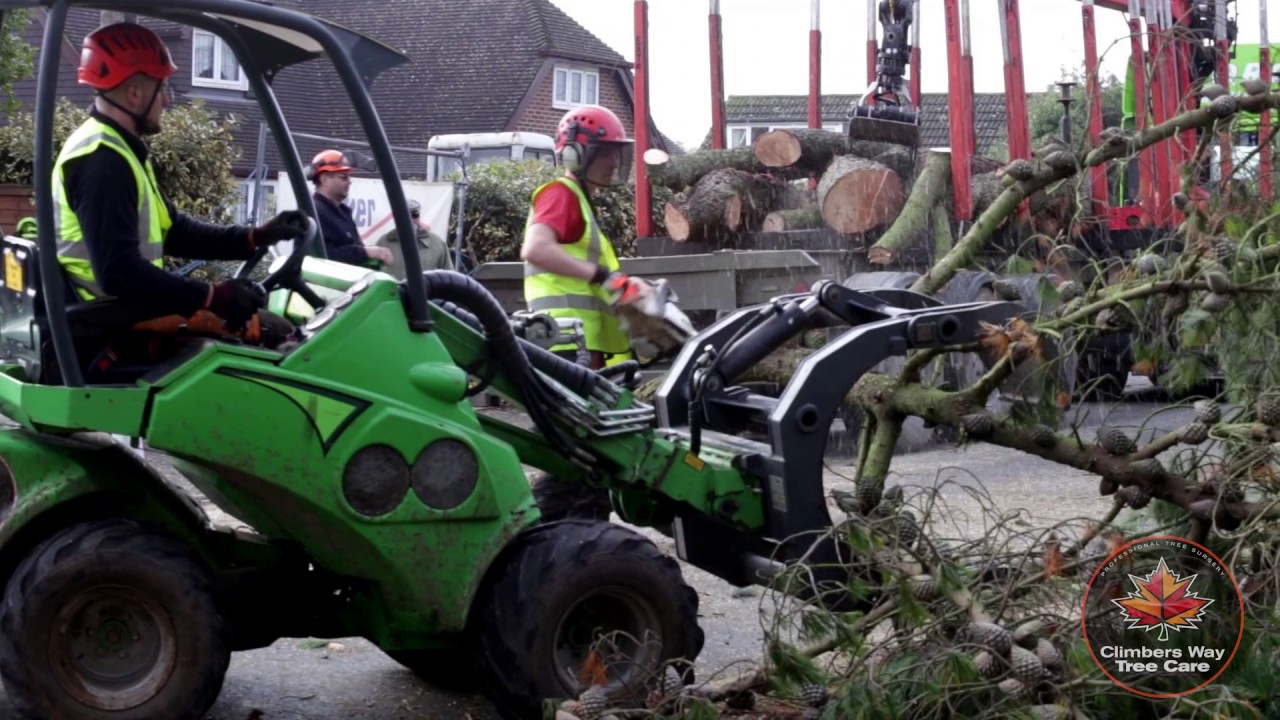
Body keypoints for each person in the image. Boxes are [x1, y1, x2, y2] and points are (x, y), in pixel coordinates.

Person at [54, 22, 307, 340]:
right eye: (162, 88)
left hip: (125, 310)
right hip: (114, 320)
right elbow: (117, 272)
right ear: (135, 93)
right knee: (273, 331)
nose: (167, 100)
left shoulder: (117, 148)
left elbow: (176, 232)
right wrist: (213, 297)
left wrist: (256, 236)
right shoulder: (104, 161)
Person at [519, 104, 648, 370]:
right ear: (574, 155)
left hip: (580, 342)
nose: (613, 162)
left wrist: (627, 285)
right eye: (604, 154)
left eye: (615, 154)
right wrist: (600, 274)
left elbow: (592, 281)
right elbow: (536, 249)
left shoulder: (581, 202)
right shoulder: (560, 194)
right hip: (566, 342)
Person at [307, 149, 394, 269]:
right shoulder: (313, 212)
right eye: (343, 177)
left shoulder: (342, 212)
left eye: (349, 177)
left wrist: (366, 253)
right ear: (325, 180)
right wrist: (366, 252)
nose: (349, 182)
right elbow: (322, 257)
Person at [372, 198, 453, 279]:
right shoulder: (383, 243)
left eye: (414, 215)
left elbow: (449, 278)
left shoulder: (437, 244)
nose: (409, 220)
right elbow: (372, 276)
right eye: (403, 215)